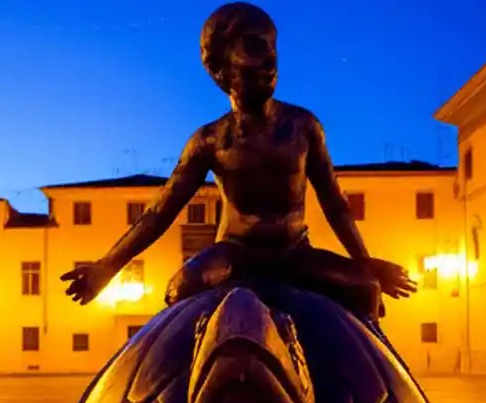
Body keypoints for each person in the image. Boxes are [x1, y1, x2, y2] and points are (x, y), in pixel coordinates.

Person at [61, 2, 416, 320]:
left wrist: (364, 261)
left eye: (272, 45)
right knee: (180, 290)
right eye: (254, 45)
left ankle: (379, 383)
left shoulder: (304, 126)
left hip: (295, 253)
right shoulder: (210, 140)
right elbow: (160, 212)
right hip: (236, 255)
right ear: (219, 68)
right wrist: (106, 267)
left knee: (366, 288)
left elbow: (335, 203)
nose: (270, 59)